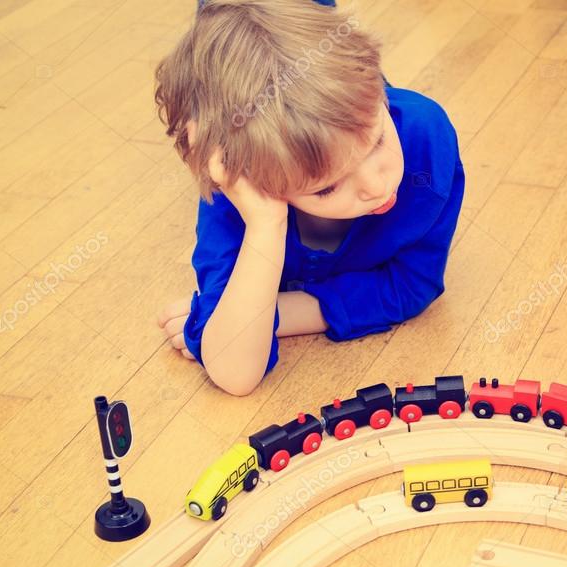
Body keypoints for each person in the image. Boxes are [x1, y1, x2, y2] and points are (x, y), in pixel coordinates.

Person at [155, 0, 464, 395]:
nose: (375, 185)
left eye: (377, 141)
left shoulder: (425, 138)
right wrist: (266, 226)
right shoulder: (237, 203)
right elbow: (235, 372)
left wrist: (276, 313)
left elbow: (411, 285)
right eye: (326, 188)